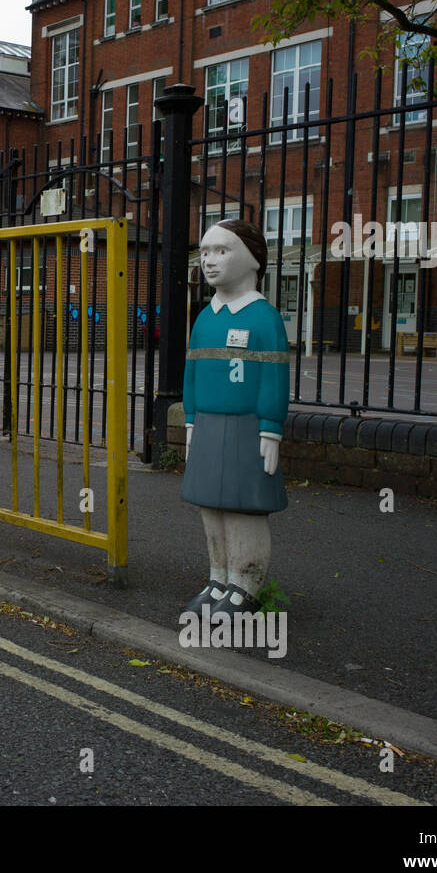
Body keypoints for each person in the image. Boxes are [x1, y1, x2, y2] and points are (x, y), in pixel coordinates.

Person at [181, 219, 289, 617]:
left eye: (221, 250)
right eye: (205, 252)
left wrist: (271, 428)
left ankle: (245, 584)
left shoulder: (264, 318)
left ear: (253, 259)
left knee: (243, 507)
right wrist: (191, 420)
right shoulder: (204, 318)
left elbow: (274, 378)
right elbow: (191, 373)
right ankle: (218, 577)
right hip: (207, 424)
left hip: (247, 427)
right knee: (210, 505)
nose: (209, 261)